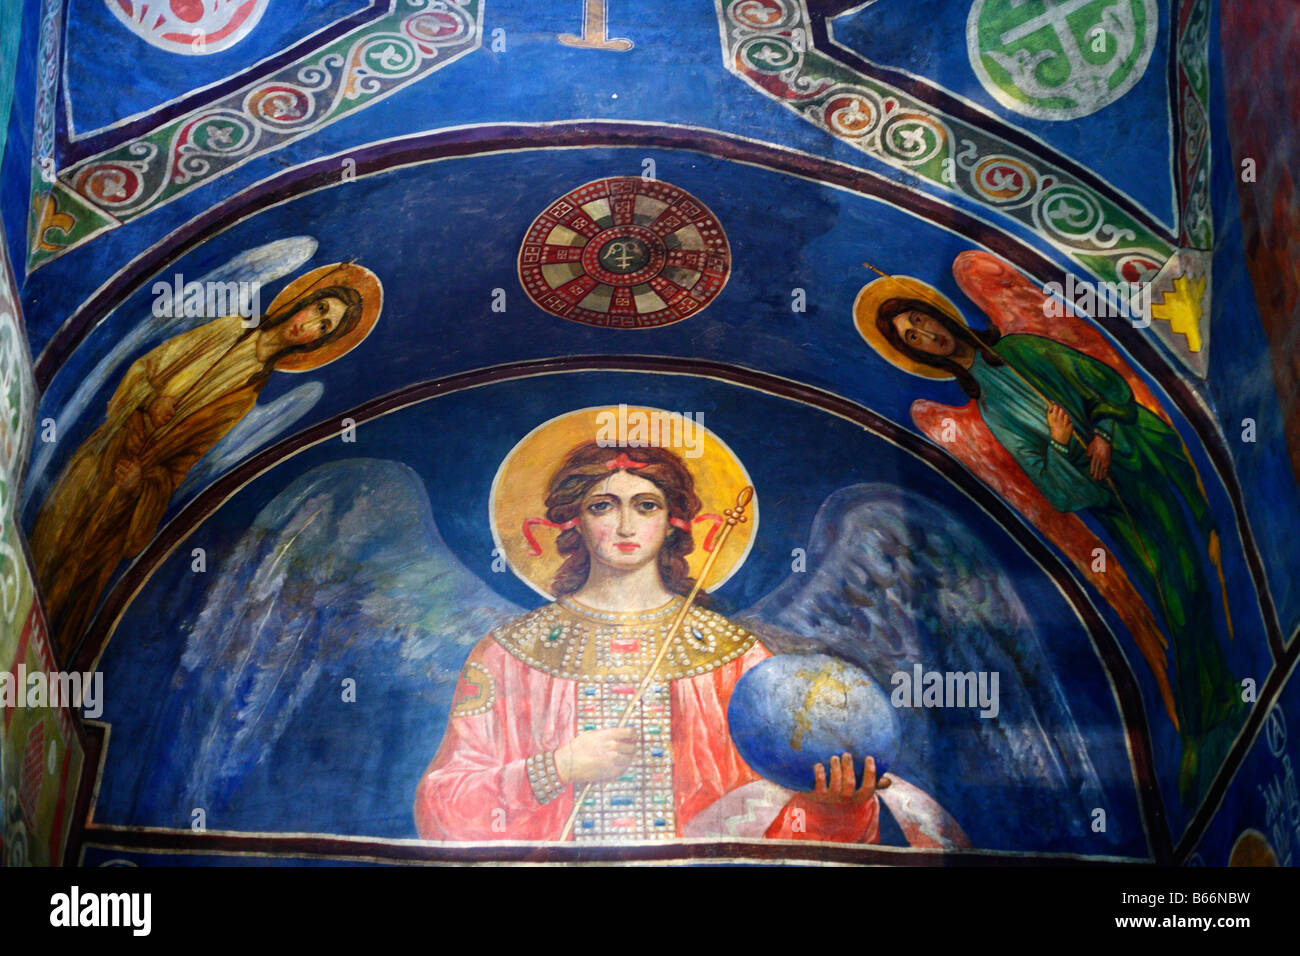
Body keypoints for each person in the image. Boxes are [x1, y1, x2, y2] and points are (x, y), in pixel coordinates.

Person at [414, 441, 963, 845]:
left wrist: (835, 809)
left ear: (673, 522)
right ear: (574, 522)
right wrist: (555, 768)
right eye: (602, 505)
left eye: (646, 505)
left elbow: (777, 829)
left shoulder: (736, 656)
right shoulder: (510, 653)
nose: (625, 523)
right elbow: (441, 807)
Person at [870, 295, 1245, 801]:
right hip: (1113, 502)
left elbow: (1107, 384)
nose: (926, 334)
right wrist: (1062, 442)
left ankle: (1225, 701)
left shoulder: (1023, 350)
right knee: (1169, 597)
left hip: (1144, 465)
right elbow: (1053, 487)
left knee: (1192, 572)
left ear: (939, 314)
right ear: (915, 353)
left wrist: (1104, 434)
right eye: (911, 337)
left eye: (921, 320)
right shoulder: (990, 405)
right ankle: (1204, 718)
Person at [30, 263, 381, 649]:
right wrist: (153, 396)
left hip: (124, 494)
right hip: (103, 457)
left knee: (71, 601)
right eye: (318, 309)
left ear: (318, 343)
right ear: (303, 301)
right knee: (45, 554)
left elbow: (178, 467)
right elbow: (145, 368)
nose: (311, 324)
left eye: (325, 327)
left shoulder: (249, 392)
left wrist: (139, 486)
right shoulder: (229, 329)